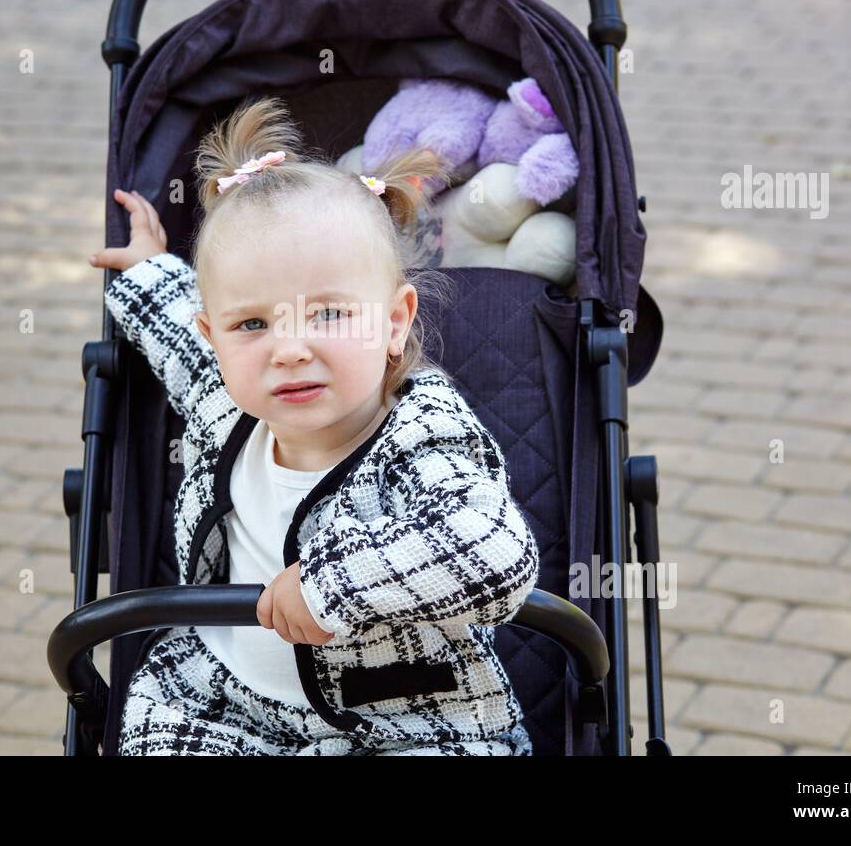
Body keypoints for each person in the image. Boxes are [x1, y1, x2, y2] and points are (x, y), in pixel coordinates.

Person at [89, 96, 540, 755]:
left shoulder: (421, 431)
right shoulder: (225, 399)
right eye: (252, 323)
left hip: (409, 714)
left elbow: (493, 548)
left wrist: (330, 583)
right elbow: (179, 331)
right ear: (216, 337)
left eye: (328, 314)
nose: (289, 348)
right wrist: (150, 269)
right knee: (160, 729)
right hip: (230, 698)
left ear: (393, 321)